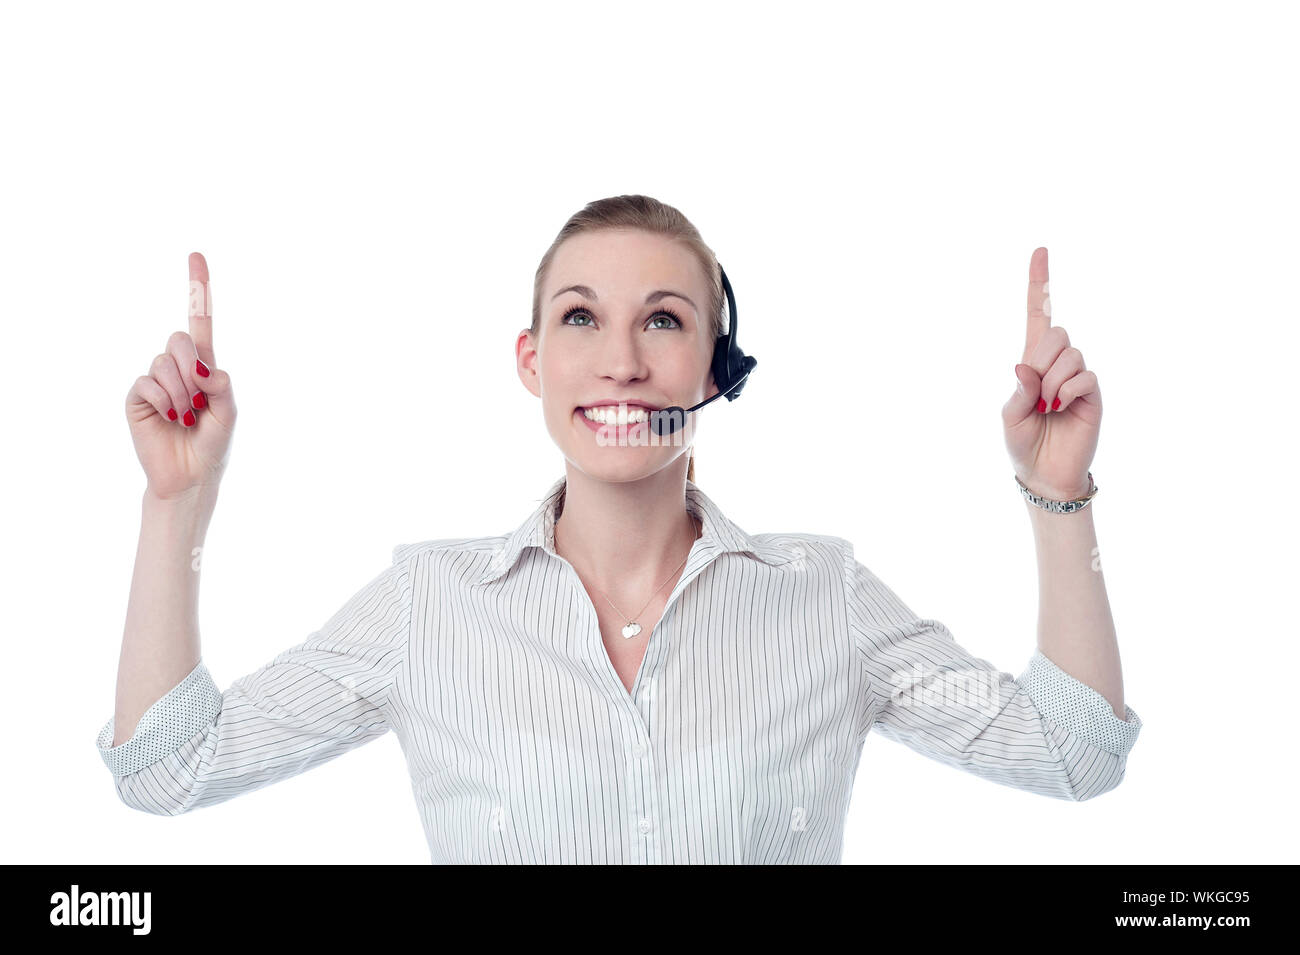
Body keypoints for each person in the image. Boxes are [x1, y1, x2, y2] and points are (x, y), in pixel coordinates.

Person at [96, 195, 1142, 864]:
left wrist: (1058, 491)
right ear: (531, 360)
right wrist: (176, 500)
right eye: (583, 319)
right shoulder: (429, 606)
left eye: (666, 320)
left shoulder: (823, 596)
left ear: (714, 369)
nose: (623, 363)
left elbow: (1070, 753)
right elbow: (167, 770)